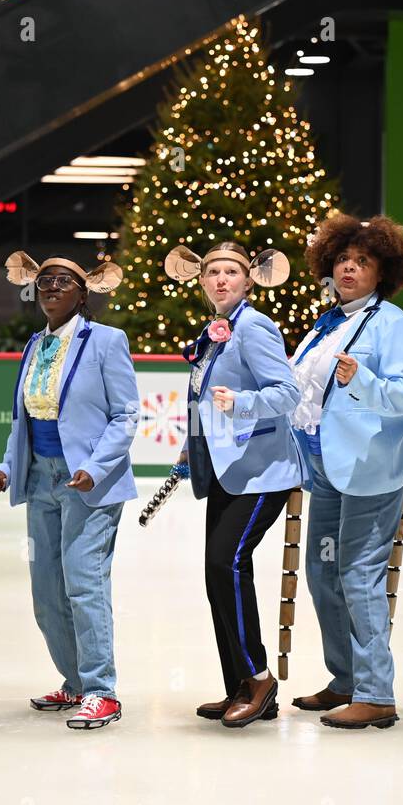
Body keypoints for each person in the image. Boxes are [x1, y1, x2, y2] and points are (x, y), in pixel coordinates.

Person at [287, 214, 403, 730]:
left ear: (382, 272)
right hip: (324, 464)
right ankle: (345, 678)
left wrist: (362, 377)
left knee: (358, 575)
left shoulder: (396, 326)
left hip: (373, 466)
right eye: (343, 260)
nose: (350, 268)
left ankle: (376, 692)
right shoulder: (325, 324)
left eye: (362, 262)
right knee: (322, 572)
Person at [0, 253, 138, 731]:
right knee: (47, 592)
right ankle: (74, 682)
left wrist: (95, 467)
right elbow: (24, 420)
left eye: (63, 282)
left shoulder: (106, 341)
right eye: (45, 281)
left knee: (83, 582)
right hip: (41, 480)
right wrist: (7, 466)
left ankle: (101, 691)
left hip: (88, 483)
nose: (50, 287)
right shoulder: (35, 345)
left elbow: (126, 414)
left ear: (82, 293)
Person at [168, 241, 302, 728]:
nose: (221, 279)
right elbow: (204, 398)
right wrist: (193, 444)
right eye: (212, 272)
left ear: (248, 280)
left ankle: (260, 679)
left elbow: (287, 393)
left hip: (263, 471)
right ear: (202, 281)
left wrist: (242, 403)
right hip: (225, 468)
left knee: (227, 563)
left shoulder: (255, 326)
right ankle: (239, 686)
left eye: (231, 272)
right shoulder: (213, 333)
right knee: (215, 573)